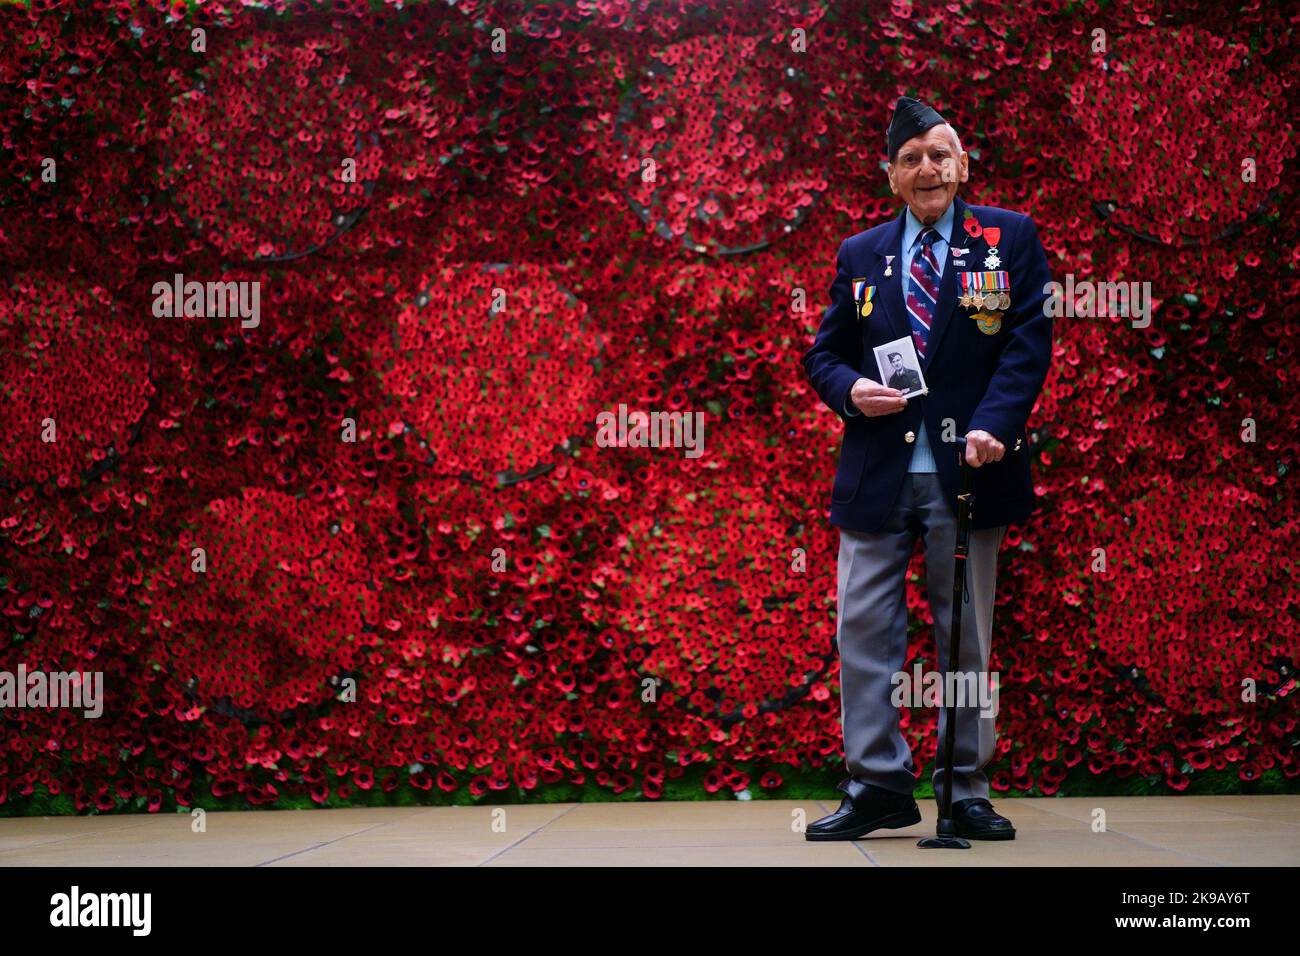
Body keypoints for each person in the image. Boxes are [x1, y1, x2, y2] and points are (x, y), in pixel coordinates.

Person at [801, 96, 1053, 842]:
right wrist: (850, 390)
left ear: (963, 166)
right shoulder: (861, 254)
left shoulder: (1008, 237)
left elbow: (1027, 342)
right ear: (891, 176)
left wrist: (993, 426)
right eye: (910, 158)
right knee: (862, 628)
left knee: (966, 637)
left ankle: (965, 786)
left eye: (939, 154)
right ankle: (877, 783)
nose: (927, 169)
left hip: (971, 467)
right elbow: (823, 354)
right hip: (877, 471)